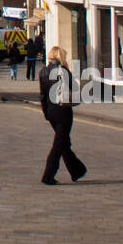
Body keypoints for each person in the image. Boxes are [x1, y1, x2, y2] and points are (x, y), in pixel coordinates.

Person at [39, 45, 87, 185]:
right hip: (63, 110)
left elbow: (42, 95)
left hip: (51, 111)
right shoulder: (63, 71)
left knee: (63, 142)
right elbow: (74, 89)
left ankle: (76, 170)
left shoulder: (43, 71)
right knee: (59, 144)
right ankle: (48, 176)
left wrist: (46, 113)